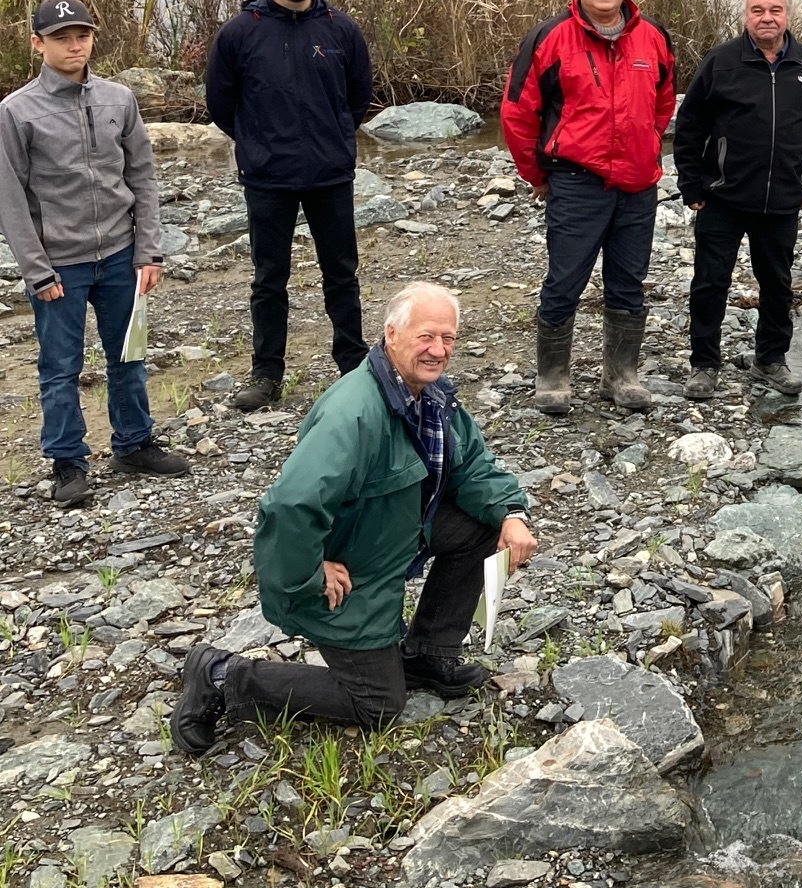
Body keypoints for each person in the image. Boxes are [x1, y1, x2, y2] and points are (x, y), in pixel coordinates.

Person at [169, 282, 536, 752]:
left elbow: (472, 467)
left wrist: (511, 513)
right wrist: (307, 574)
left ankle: (426, 655)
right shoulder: (354, 412)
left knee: (483, 526)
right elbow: (288, 505)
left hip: (391, 540)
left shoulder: (434, 395)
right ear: (391, 334)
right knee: (378, 704)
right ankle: (221, 674)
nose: (438, 350)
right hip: (347, 568)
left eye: (448, 339)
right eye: (426, 336)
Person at [0, 0, 188, 506]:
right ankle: (67, 462)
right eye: (61, 37)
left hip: (122, 257)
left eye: (81, 35)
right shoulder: (16, 112)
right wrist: (37, 272)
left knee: (129, 354)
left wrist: (149, 251)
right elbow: (11, 201)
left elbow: (142, 177)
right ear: (38, 43)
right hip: (59, 263)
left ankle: (134, 443)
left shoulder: (118, 99)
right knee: (59, 367)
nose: (74, 45)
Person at [501, 0, 678, 416]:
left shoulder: (653, 38)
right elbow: (518, 112)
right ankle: (552, 376)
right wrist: (537, 174)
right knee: (564, 281)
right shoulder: (550, 37)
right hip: (577, 183)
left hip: (638, 185)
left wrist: (647, 145)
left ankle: (621, 375)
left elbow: (663, 104)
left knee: (629, 282)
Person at [205, 0, 375, 412]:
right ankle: (267, 373)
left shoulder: (341, 30)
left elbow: (357, 96)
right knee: (268, 278)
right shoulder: (240, 32)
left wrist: (337, 135)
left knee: (341, 272)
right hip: (268, 176)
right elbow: (221, 103)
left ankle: (352, 362)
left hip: (330, 174)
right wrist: (257, 141)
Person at [673, 0, 802, 400]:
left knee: (778, 284)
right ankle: (705, 365)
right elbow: (689, 128)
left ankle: (771, 360)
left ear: (787, 15)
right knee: (710, 282)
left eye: (775, 10)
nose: (766, 18)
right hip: (723, 198)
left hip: (782, 201)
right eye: (757, 10)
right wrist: (692, 183)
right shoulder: (721, 62)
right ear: (745, 15)